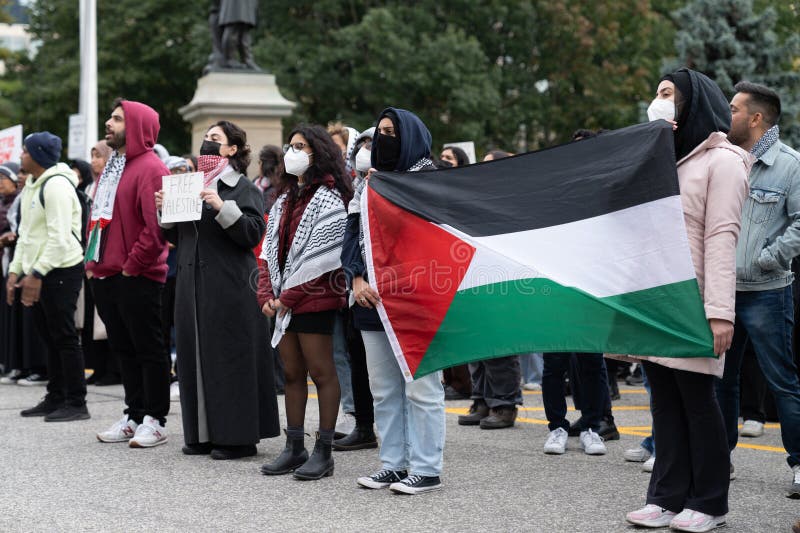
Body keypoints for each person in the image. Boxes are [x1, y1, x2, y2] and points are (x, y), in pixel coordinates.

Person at [623, 68, 750, 532]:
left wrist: (719, 312)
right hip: (658, 303)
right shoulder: (665, 159)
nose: (657, 101)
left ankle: (710, 503)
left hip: (694, 304)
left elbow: (721, 237)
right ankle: (665, 497)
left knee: (699, 404)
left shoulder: (725, 161)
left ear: (694, 102)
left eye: (667, 94)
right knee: (665, 406)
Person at [156, 120, 280, 460]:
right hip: (192, 284)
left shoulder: (242, 188)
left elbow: (253, 234)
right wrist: (164, 209)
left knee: (229, 358)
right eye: (205, 138)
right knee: (195, 356)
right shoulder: (189, 184)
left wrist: (221, 207)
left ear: (232, 149)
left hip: (230, 286)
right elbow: (176, 238)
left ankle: (237, 437)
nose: (208, 143)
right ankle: (201, 434)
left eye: (216, 139)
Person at [347, 107, 446, 495]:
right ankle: (393, 464)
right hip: (370, 299)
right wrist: (355, 278)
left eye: (391, 132)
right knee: (384, 388)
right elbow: (351, 235)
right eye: (379, 132)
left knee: (421, 388)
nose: (382, 139)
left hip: (417, 300)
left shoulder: (433, 182)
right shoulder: (366, 185)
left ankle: (426, 468)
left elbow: (436, 243)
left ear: (412, 138)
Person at [715, 81, 800, 499]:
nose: (725, 114)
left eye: (733, 108)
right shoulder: (723, 159)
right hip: (723, 292)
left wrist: (768, 259)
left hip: (767, 289)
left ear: (756, 118)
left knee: (782, 380)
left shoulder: (790, 165)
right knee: (721, 381)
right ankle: (719, 460)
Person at [258, 124, 350, 480]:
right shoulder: (283, 197)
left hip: (315, 299)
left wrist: (285, 298)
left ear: (318, 153)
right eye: (290, 145)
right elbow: (267, 252)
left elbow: (322, 259)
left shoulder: (329, 198)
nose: (292, 152)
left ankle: (323, 451)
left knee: (321, 372)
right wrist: (266, 294)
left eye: (300, 146)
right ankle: (293, 445)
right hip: (284, 300)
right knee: (292, 373)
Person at [88, 99, 171, 448]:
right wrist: (93, 264)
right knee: (123, 348)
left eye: (117, 119)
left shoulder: (150, 167)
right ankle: (133, 414)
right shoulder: (115, 166)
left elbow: (156, 230)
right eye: (111, 117)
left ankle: (155, 419)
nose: (109, 123)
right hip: (105, 274)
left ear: (136, 126)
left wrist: (131, 266)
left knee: (149, 349)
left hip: (137, 275)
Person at [6, 132, 89, 421]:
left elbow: (61, 238)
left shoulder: (56, 187)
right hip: (39, 270)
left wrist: (37, 272)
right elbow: (27, 235)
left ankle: (77, 402)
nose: (21, 156)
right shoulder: (32, 184)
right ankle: (56, 396)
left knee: (65, 337)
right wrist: (16, 270)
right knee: (49, 337)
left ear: (38, 155)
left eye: (25, 151)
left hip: (61, 269)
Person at [334, 127, 379, 452]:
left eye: (373, 144)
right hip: (359, 291)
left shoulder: (409, 184)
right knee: (359, 360)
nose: (365, 150)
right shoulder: (358, 190)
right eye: (361, 145)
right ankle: (364, 426)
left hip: (395, 289)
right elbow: (351, 240)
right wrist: (356, 278)